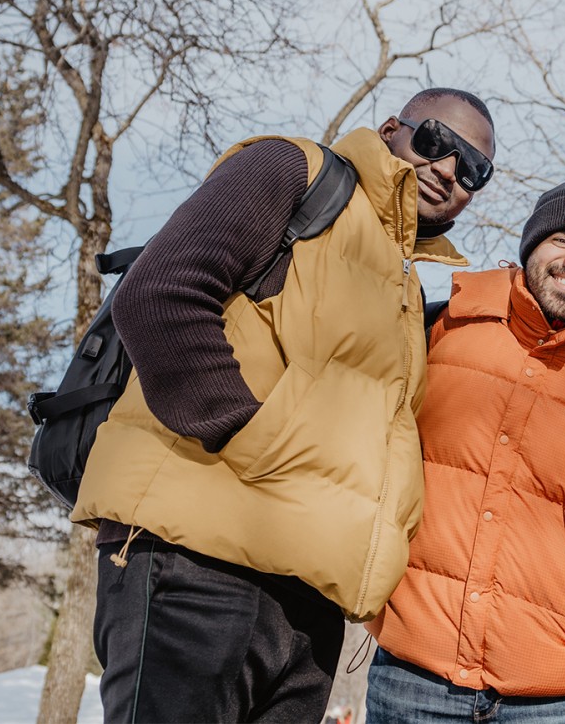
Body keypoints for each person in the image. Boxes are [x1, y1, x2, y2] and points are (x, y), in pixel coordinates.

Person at [73, 87, 494, 722]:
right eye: (438, 141)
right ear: (392, 128)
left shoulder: (403, 286)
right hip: (197, 564)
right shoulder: (293, 170)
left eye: (473, 170)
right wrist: (257, 442)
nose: (448, 170)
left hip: (308, 598)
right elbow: (161, 294)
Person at [364, 156, 565, 724]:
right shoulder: (442, 325)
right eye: (564, 239)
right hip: (412, 670)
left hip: (546, 693)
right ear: (531, 246)